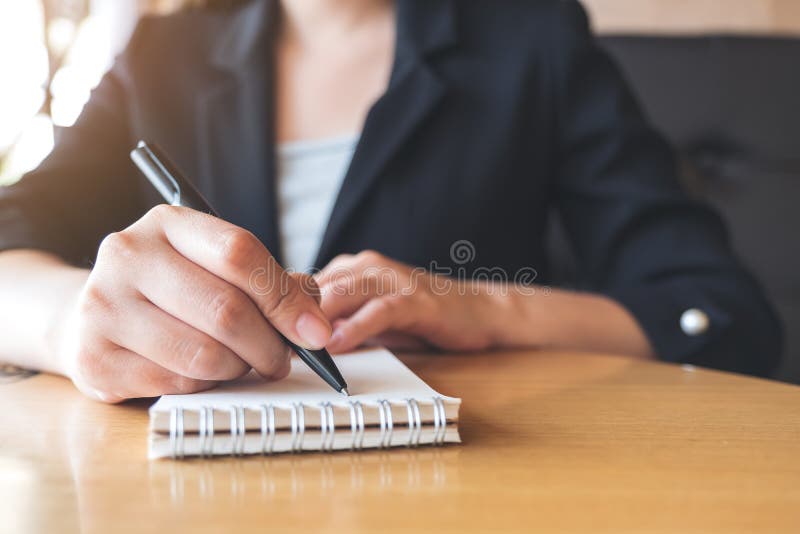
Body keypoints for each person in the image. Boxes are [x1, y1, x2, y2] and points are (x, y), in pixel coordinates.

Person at [0, 0, 782, 403]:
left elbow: (719, 311)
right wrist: (71, 322)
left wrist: (488, 311)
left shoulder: (533, 43)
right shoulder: (162, 56)